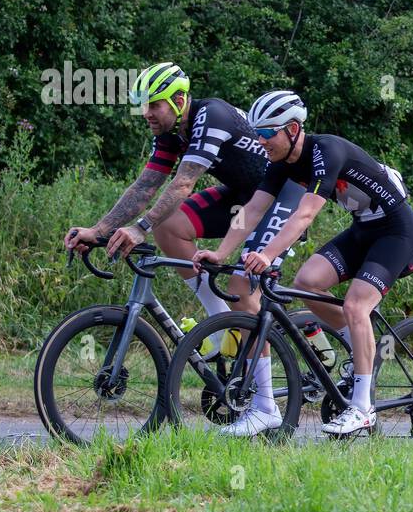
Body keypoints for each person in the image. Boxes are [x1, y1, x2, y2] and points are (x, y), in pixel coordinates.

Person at [63, 64, 306, 433]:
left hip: (280, 197)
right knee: (171, 228)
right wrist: (99, 230)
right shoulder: (172, 130)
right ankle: (224, 322)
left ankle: (265, 405)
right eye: (144, 105)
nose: (146, 113)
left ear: (178, 100)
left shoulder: (211, 116)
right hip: (243, 198)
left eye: (153, 105)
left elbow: (183, 185)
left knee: (243, 285)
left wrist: (140, 228)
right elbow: (146, 186)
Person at [193, 90, 413, 437]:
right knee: (307, 282)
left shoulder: (325, 151)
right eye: (257, 133)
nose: (260, 140)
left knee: (357, 304)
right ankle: (357, 347)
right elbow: (252, 210)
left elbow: (306, 213)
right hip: (363, 230)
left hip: (396, 232)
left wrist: (267, 254)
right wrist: (221, 254)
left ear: (293, 129)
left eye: (267, 133)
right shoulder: (280, 164)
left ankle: (362, 408)